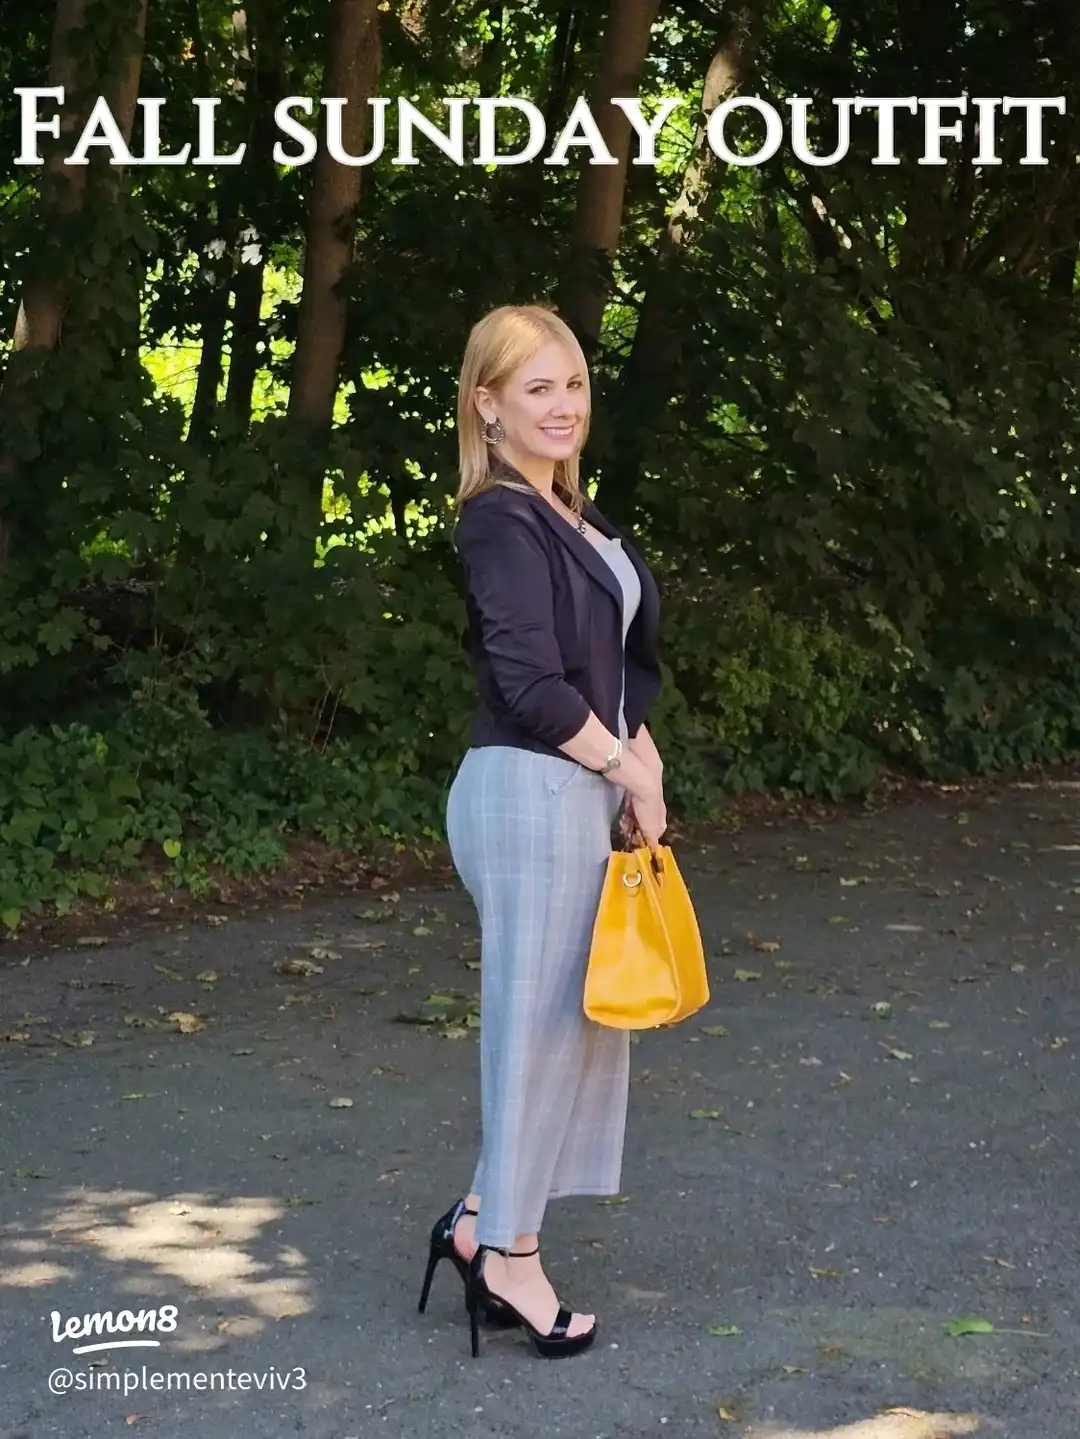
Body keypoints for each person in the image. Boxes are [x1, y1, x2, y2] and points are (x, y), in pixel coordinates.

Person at [416, 302, 667, 1360]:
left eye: (573, 385)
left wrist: (643, 761)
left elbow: (612, 664)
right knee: (536, 1032)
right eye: (537, 389)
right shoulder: (499, 519)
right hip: (528, 792)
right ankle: (511, 1259)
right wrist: (621, 764)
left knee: (572, 1025)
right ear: (488, 404)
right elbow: (528, 680)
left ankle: (478, 1220)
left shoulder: (575, 511)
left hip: (578, 786)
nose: (563, 406)